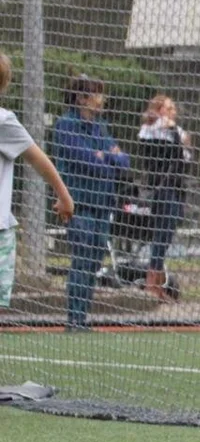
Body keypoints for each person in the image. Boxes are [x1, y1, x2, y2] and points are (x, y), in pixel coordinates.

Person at [53, 74, 130, 331]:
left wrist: (105, 156)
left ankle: (83, 318)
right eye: (96, 94)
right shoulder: (66, 125)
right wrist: (106, 157)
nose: (101, 99)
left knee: (95, 260)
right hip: (79, 204)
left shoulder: (101, 127)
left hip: (102, 204)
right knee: (82, 258)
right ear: (81, 98)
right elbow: (87, 160)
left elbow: (122, 162)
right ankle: (74, 320)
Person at [0, 53, 75, 308]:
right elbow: (37, 159)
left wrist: (63, 195)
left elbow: (37, 158)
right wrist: (64, 195)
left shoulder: (3, 121)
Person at [136, 94, 192, 300]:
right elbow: (165, 156)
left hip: (177, 189)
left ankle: (158, 284)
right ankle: (152, 285)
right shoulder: (150, 132)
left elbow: (184, 160)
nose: (173, 112)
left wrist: (176, 135)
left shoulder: (175, 131)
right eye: (168, 109)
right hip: (162, 190)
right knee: (161, 235)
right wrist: (172, 132)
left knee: (167, 236)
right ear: (158, 111)